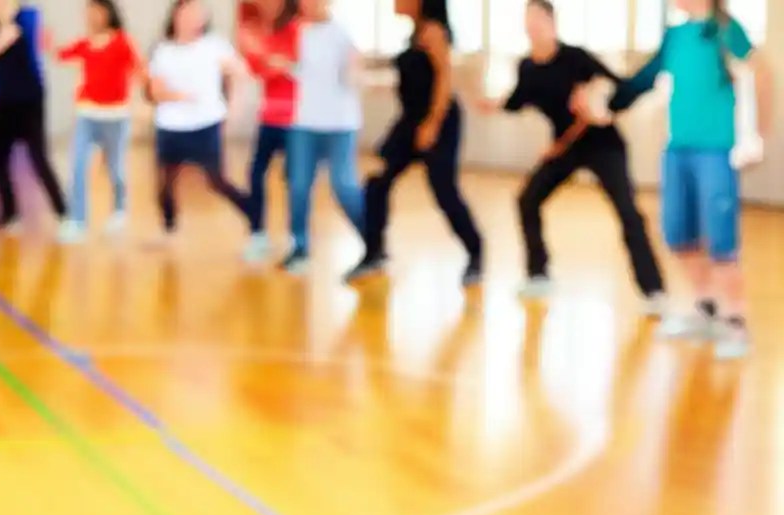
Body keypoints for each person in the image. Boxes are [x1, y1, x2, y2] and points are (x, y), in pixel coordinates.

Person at [476, 0, 666, 312]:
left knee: (627, 210)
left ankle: (654, 290)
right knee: (528, 199)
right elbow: (517, 99)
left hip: (603, 144)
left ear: (552, 23)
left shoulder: (575, 58)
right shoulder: (528, 67)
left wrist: (593, 99)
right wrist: (493, 104)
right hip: (565, 148)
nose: (533, 26)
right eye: (528, 20)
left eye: (538, 19)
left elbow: (617, 87)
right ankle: (538, 274)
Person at [610, 0, 774, 359]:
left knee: (720, 242)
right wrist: (607, 101)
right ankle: (706, 309)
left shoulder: (724, 29)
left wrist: (759, 135)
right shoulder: (675, 36)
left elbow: (762, 73)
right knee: (679, 235)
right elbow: (641, 80)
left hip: (715, 151)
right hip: (677, 150)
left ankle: (735, 322)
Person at [345, 0, 485, 287]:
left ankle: (476, 252)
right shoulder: (414, 33)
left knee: (444, 191)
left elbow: (445, 78)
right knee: (378, 183)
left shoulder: (434, 31)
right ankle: (375, 252)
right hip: (410, 121)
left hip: (438, 121)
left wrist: (432, 124)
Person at [147, 0, 253, 243]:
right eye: (185, 13)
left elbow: (241, 72)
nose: (191, 18)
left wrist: (233, 107)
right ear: (175, 16)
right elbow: (155, 91)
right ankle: (168, 227)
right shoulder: (163, 49)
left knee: (216, 180)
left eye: (196, 14)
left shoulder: (214, 46)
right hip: (170, 125)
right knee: (165, 181)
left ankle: (254, 215)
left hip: (205, 124)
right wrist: (179, 96)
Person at [278, 0, 364, 274]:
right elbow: (304, 72)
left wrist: (355, 69)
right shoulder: (297, 31)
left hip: (340, 124)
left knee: (344, 185)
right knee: (299, 185)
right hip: (304, 122)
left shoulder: (343, 33)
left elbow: (351, 77)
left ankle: (374, 241)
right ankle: (300, 247)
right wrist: (285, 66)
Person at [0, 0, 74, 238]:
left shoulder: (24, 20)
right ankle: (10, 213)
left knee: (38, 157)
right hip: (4, 102)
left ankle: (63, 213)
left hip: (29, 100)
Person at [55, 0, 140, 242]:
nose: (91, 16)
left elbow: (139, 70)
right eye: (88, 12)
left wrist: (149, 100)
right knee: (78, 165)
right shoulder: (84, 44)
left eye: (96, 11)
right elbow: (61, 54)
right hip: (87, 115)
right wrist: (47, 44)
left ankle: (119, 210)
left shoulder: (122, 42)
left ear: (107, 13)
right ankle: (78, 220)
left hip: (115, 117)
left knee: (115, 168)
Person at [237, 0, 300, 262]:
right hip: (269, 118)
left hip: (296, 119)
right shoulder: (263, 33)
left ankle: (297, 236)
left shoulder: (297, 29)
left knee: (295, 179)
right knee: (256, 173)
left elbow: (292, 67)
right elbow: (261, 71)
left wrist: (264, 55)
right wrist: (264, 57)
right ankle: (258, 234)